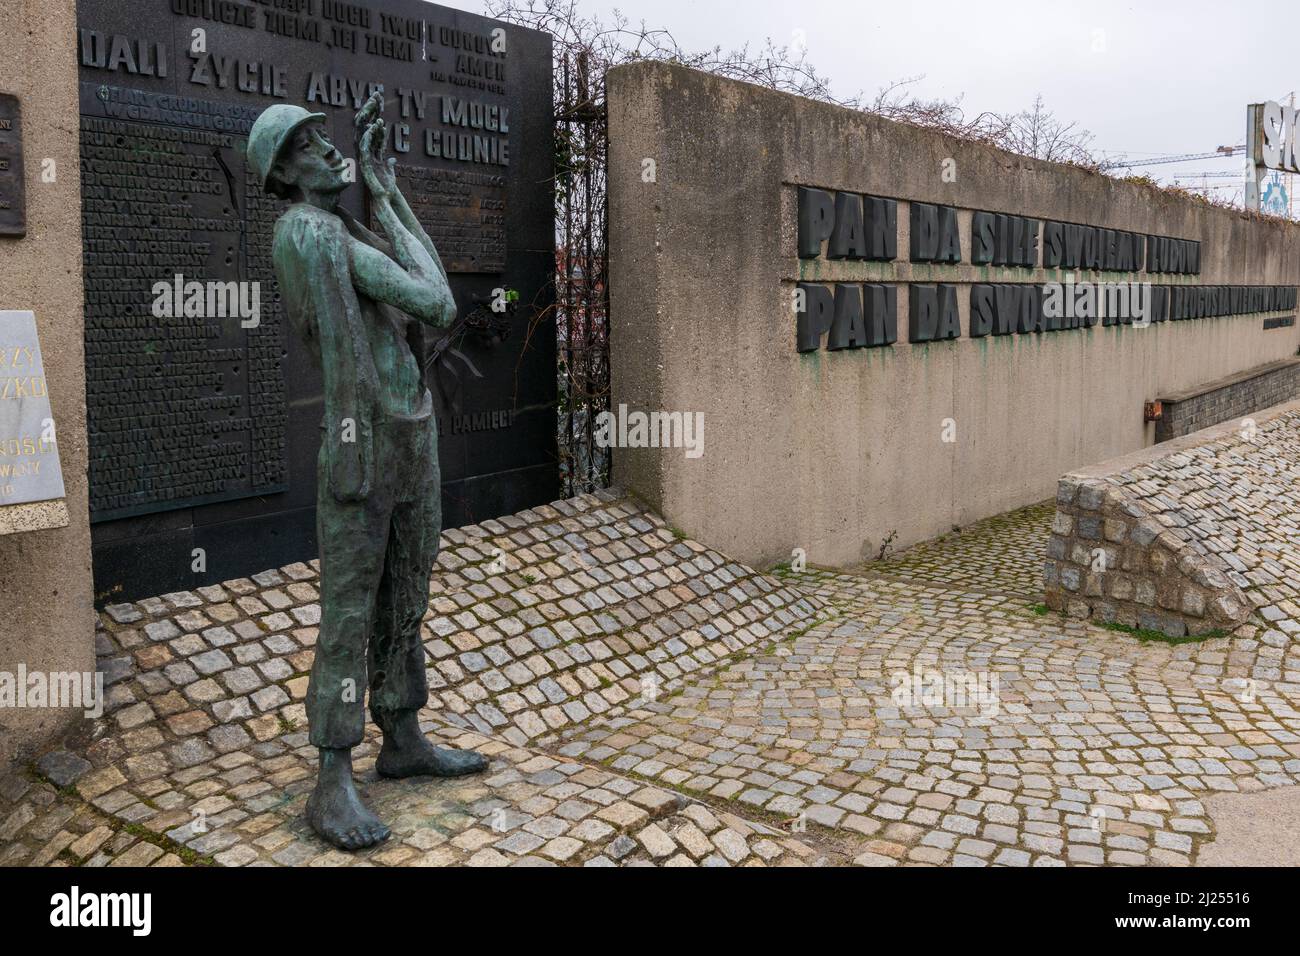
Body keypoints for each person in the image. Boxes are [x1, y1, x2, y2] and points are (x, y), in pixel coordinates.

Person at [245, 92, 487, 851]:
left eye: (324, 137)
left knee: (407, 589)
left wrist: (385, 192)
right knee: (350, 609)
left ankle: (403, 730)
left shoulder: (343, 228)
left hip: (407, 432)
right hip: (364, 440)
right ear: (285, 168)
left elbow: (422, 299)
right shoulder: (310, 232)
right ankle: (332, 776)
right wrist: (387, 195)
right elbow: (435, 299)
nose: (327, 149)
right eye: (310, 144)